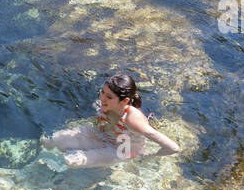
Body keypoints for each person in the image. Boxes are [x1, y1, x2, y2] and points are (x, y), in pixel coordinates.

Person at [40, 72, 181, 168]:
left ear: (124, 101)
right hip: (103, 135)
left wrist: (149, 159)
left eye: (109, 96)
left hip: (121, 149)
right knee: (53, 139)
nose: (102, 98)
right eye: (102, 92)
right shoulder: (105, 104)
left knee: (72, 161)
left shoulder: (132, 119)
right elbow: (98, 122)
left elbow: (173, 148)